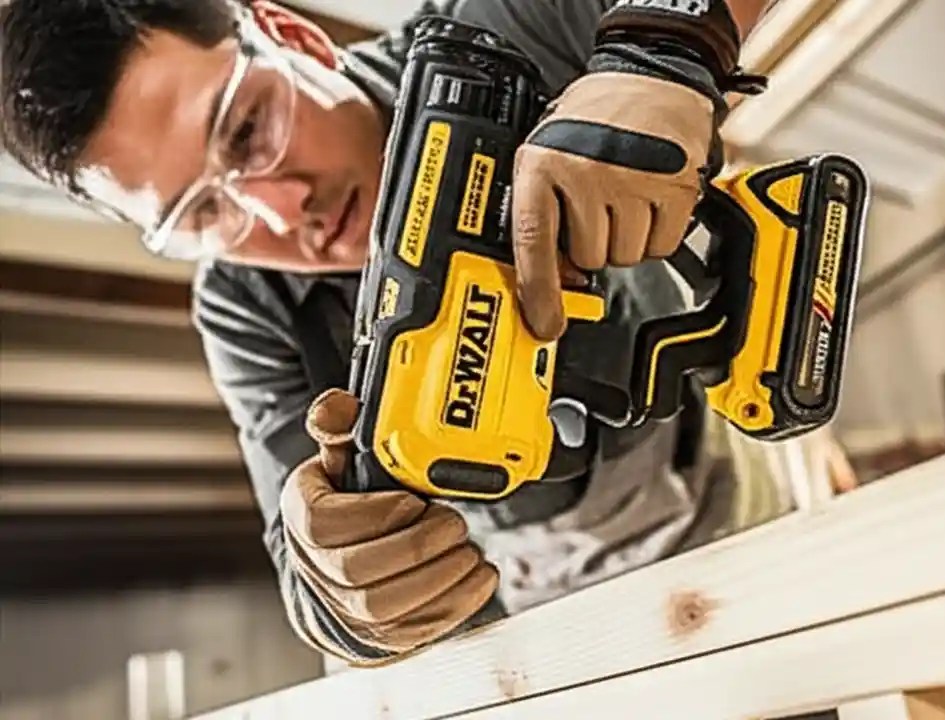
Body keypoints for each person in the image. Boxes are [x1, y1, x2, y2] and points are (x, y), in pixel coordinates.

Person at [0, 0, 779, 666]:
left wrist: (663, 49)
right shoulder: (246, 307)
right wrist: (342, 584)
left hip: (731, 483)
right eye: (202, 211)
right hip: (545, 603)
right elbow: (304, 570)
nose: (282, 211)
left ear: (293, 34)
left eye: (246, 129)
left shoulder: (497, 40)